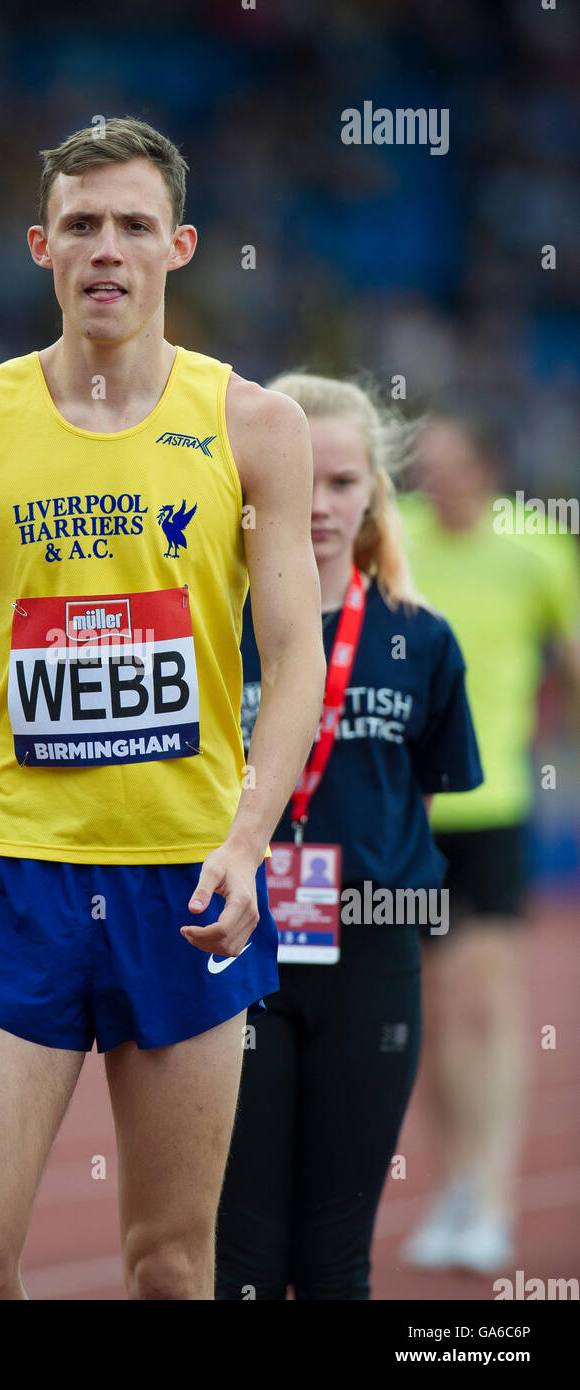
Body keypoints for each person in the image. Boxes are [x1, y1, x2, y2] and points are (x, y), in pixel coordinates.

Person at [0, 116, 327, 1301]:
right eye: (81, 224)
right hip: (16, 875)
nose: (107, 247)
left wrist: (248, 843)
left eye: (133, 225)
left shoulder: (255, 427)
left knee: (167, 1266)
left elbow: (294, 652)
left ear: (179, 246)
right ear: (40, 245)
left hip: (187, 879)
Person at [215, 373, 483, 1300]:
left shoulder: (422, 639)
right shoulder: (210, 630)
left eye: (342, 482)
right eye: (299, 479)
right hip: (231, 959)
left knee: (334, 1264)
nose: (319, 506)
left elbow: (428, 796)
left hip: (372, 965)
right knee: (240, 1263)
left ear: (375, 490)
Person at [398, 415, 580, 1274]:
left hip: (497, 806)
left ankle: (497, 1197)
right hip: (408, 817)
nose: (434, 478)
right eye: (423, 465)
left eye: (449, 464)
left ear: (487, 466)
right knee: (435, 1015)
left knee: (486, 1005)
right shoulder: (396, 536)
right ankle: (455, 1190)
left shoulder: (537, 548)